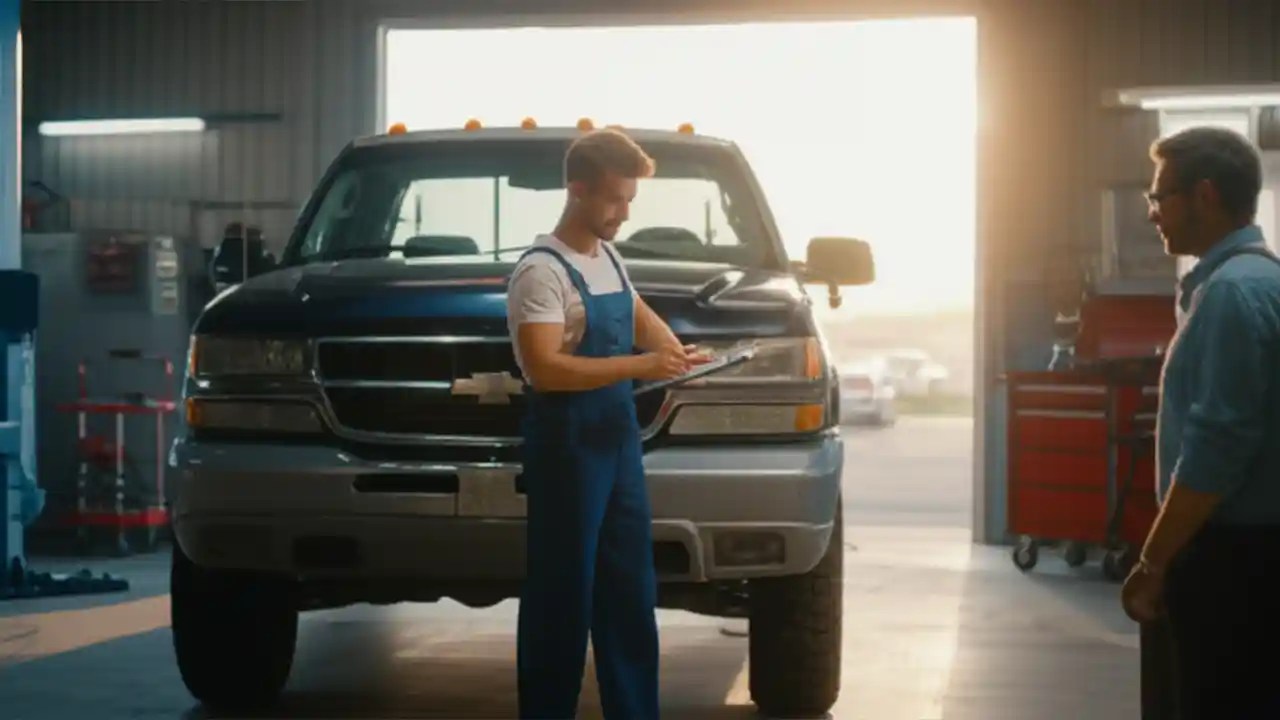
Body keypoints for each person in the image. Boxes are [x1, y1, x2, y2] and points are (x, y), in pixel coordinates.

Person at [506, 128, 706, 719]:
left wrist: (678, 353)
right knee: (562, 596)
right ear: (576, 188)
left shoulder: (606, 254)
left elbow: (636, 311)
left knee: (628, 593)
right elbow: (545, 369)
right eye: (614, 200)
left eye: (630, 201)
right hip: (567, 443)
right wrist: (645, 365)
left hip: (617, 440)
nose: (623, 213)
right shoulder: (541, 273)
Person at [1123, 125, 1280, 718]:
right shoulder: (1260, 282)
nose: (1154, 213)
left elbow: (1217, 451)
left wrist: (1153, 563)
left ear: (1205, 195)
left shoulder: (1231, 296)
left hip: (1228, 561)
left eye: (1160, 198)